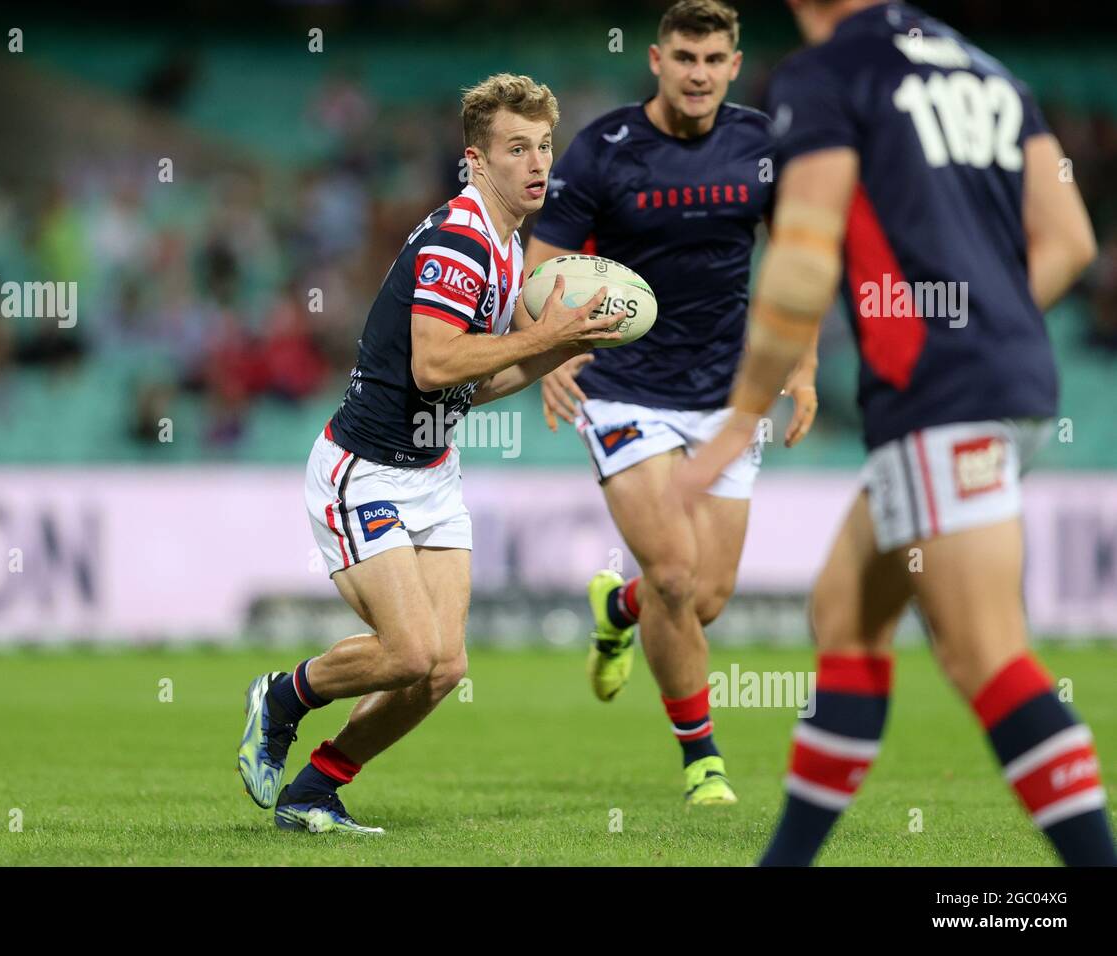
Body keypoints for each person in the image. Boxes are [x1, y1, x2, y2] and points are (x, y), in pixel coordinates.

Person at [677, 0, 1115, 865]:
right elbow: (1069, 239)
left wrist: (740, 418)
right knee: (845, 612)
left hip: (939, 400)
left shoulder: (829, 73)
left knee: (987, 659)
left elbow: (803, 254)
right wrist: (989, 329)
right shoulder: (990, 72)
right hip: (1006, 381)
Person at [238, 73, 626, 833]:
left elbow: (475, 385)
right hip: (364, 470)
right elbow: (434, 365)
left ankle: (316, 787)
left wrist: (562, 349)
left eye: (545, 146)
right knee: (409, 651)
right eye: (517, 148)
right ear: (476, 161)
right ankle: (281, 698)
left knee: (444, 667)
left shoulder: (509, 248)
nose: (537, 163)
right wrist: (547, 333)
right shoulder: (461, 240)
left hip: (432, 471)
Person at [519, 0, 819, 806]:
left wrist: (804, 361)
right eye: (684, 56)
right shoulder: (604, 149)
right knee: (678, 576)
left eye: (713, 58)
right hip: (623, 391)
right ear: (656, 60)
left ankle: (617, 608)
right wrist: (544, 356)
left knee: (708, 599)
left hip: (729, 394)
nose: (698, 72)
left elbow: (799, 256)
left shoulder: (762, 146)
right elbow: (541, 265)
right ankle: (703, 762)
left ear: (733, 63)